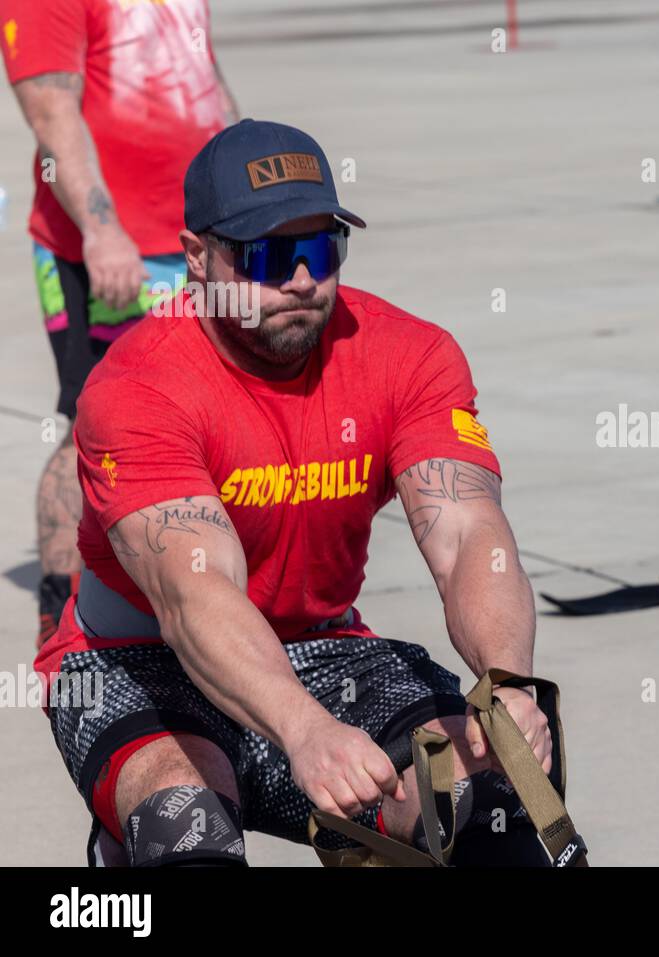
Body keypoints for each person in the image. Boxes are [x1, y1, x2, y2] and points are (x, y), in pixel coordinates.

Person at [35, 119, 556, 867]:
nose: (302, 280)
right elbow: (195, 597)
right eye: (268, 255)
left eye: (321, 249)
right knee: (191, 831)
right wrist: (304, 728)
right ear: (196, 259)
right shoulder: (137, 388)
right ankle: (128, 848)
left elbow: (470, 534)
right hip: (137, 655)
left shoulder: (407, 353)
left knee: (488, 810)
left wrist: (505, 678)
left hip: (320, 642)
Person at [0, 0, 238, 646]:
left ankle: (188, 591)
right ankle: (60, 611)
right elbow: (50, 108)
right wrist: (103, 230)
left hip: (196, 238)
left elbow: (203, 72)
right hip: (105, 247)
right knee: (90, 420)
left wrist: (244, 190)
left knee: (209, 415)